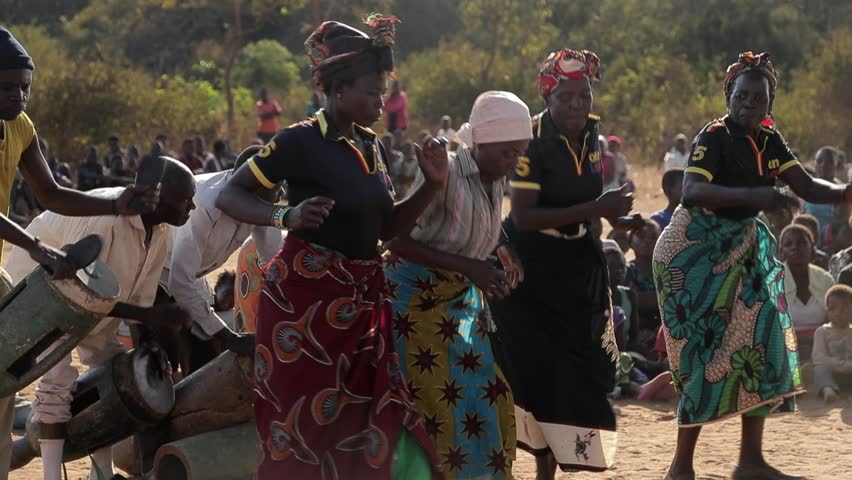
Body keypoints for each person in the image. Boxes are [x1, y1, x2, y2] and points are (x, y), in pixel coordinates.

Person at [216, 16, 447, 478]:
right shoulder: (298, 142)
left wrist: (431, 184)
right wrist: (286, 216)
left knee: (369, 424)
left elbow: (386, 232)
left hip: (362, 311)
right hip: (304, 312)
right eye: (371, 91)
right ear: (338, 90)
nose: (382, 102)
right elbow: (231, 194)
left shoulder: (372, 146)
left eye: (383, 91)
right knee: (299, 430)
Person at [652, 51, 852, 480]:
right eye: (741, 96)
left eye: (757, 98)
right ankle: (680, 466)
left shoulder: (768, 138)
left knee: (765, 341)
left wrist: (843, 193)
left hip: (741, 249)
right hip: (692, 252)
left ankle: (750, 461)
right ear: (729, 95)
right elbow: (691, 191)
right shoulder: (714, 136)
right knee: (698, 354)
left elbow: (805, 183)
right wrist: (755, 197)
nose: (747, 104)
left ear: (769, 103)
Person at [490, 48, 633, 477]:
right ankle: (540, 471)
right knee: (539, 370)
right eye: (566, 98)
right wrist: (597, 207)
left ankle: (561, 462)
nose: (576, 106)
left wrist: (617, 217)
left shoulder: (592, 135)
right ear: (547, 97)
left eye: (584, 96)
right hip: (533, 269)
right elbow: (523, 216)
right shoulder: (530, 140)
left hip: (578, 262)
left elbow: (584, 202)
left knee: (582, 363)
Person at [4, 158, 194, 480]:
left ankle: (101, 472)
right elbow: (79, 292)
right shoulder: (107, 222)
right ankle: (52, 474)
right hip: (45, 288)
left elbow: (136, 300)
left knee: (117, 374)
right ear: (157, 196)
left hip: (89, 300)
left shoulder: (160, 232)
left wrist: (148, 341)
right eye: (186, 198)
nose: (192, 205)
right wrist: (152, 316)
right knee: (57, 379)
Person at [384, 91, 532, 479]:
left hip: (459, 301)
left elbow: (482, 223)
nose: (513, 163)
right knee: (435, 409)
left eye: (518, 154)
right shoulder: (442, 172)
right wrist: (470, 268)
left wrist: (502, 251)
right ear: (481, 142)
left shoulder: (494, 177)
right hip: (414, 306)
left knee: (488, 395)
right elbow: (397, 240)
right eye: (507, 153)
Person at [161, 145, 283, 374]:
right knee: (163, 354)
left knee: (204, 357)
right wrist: (230, 338)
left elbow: (274, 262)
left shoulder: (260, 204)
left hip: (190, 276)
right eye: (277, 188)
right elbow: (178, 279)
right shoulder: (202, 204)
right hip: (155, 272)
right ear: (255, 189)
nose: (281, 195)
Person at [779, 224, 833, 362]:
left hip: (823, 350)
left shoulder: (825, 279)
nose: (795, 247)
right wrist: (807, 339)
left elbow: (837, 322)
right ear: (781, 253)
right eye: (788, 244)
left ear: (813, 250)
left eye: (802, 242)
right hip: (782, 351)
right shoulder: (772, 282)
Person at [625, 219, 663, 355]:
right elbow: (628, 302)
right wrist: (660, 299)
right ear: (630, 242)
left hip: (663, 329)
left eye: (653, 237)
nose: (647, 241)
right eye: (641, 236)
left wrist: (640, 298)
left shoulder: (667, 270)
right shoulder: (625, 271)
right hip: (638, 332)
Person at [812, 285, 852, 402]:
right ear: (827, 309)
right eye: (832, 309)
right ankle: (828, 390)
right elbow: (818, 357)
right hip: (832, 373)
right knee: (819, 369)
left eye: (844, 309)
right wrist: (845, 365)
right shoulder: (822, 331)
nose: (838, 313)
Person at [803, 147, 839, 230]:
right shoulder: (807, 188)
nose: (823, 165)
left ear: (836, 165)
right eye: (819, 161)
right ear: (815, 164)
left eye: (830, 162)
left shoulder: (842, 192)